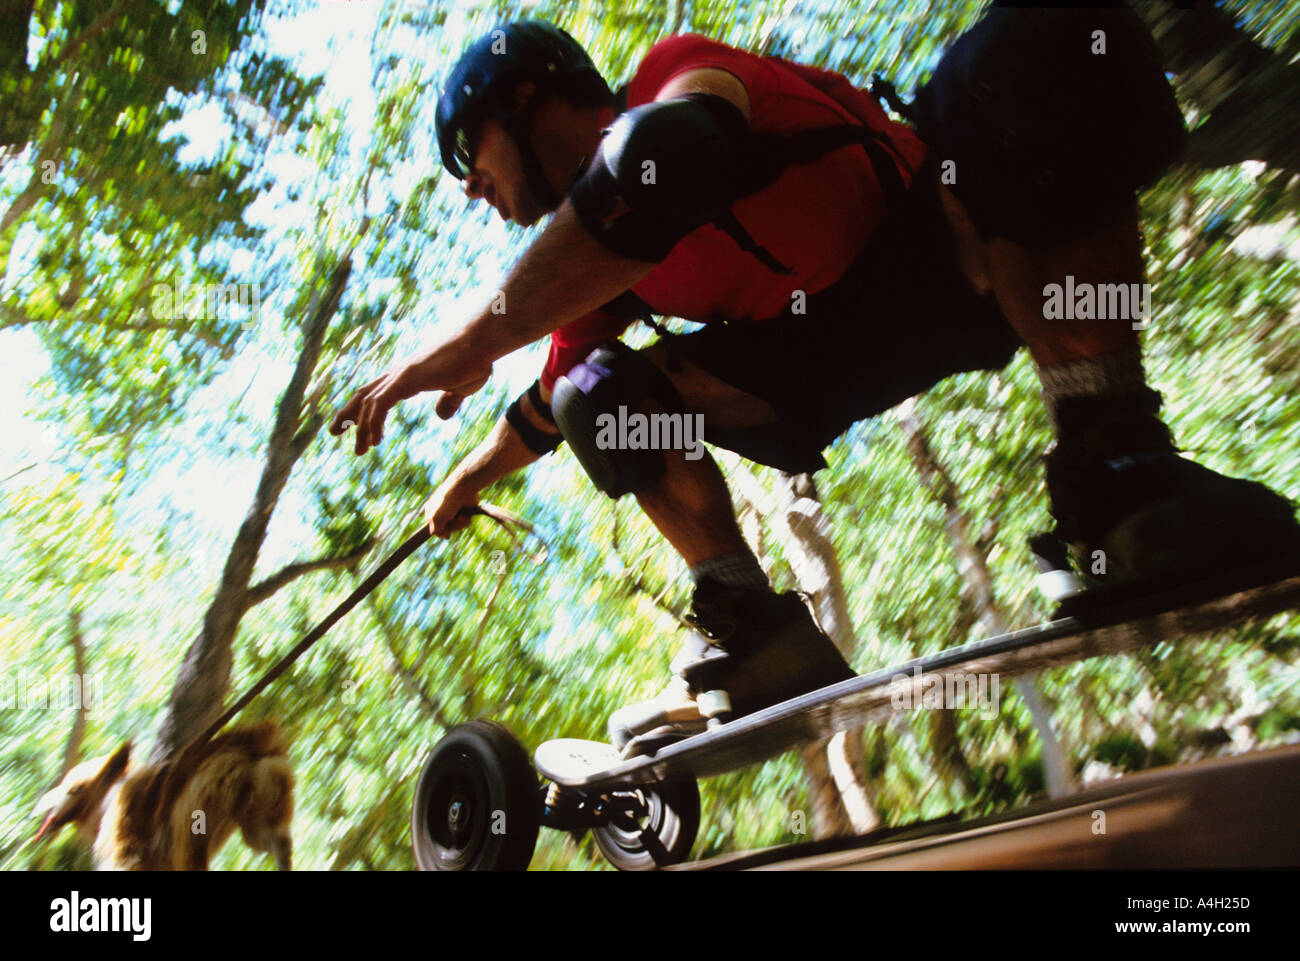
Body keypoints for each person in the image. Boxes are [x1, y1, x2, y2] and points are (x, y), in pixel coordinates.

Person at [330, 7, 1300, 754]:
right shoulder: (599, 271)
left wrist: (472, 338)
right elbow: (543, 409)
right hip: (807, 367)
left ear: (526, 97)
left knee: (1026, 46)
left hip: (943, 246)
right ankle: (756, 630)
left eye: (468, 153)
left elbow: (669, 161)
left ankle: (1119, 482)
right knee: (596, 390)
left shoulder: (669, 79)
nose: (469, 186)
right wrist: (464, 480)